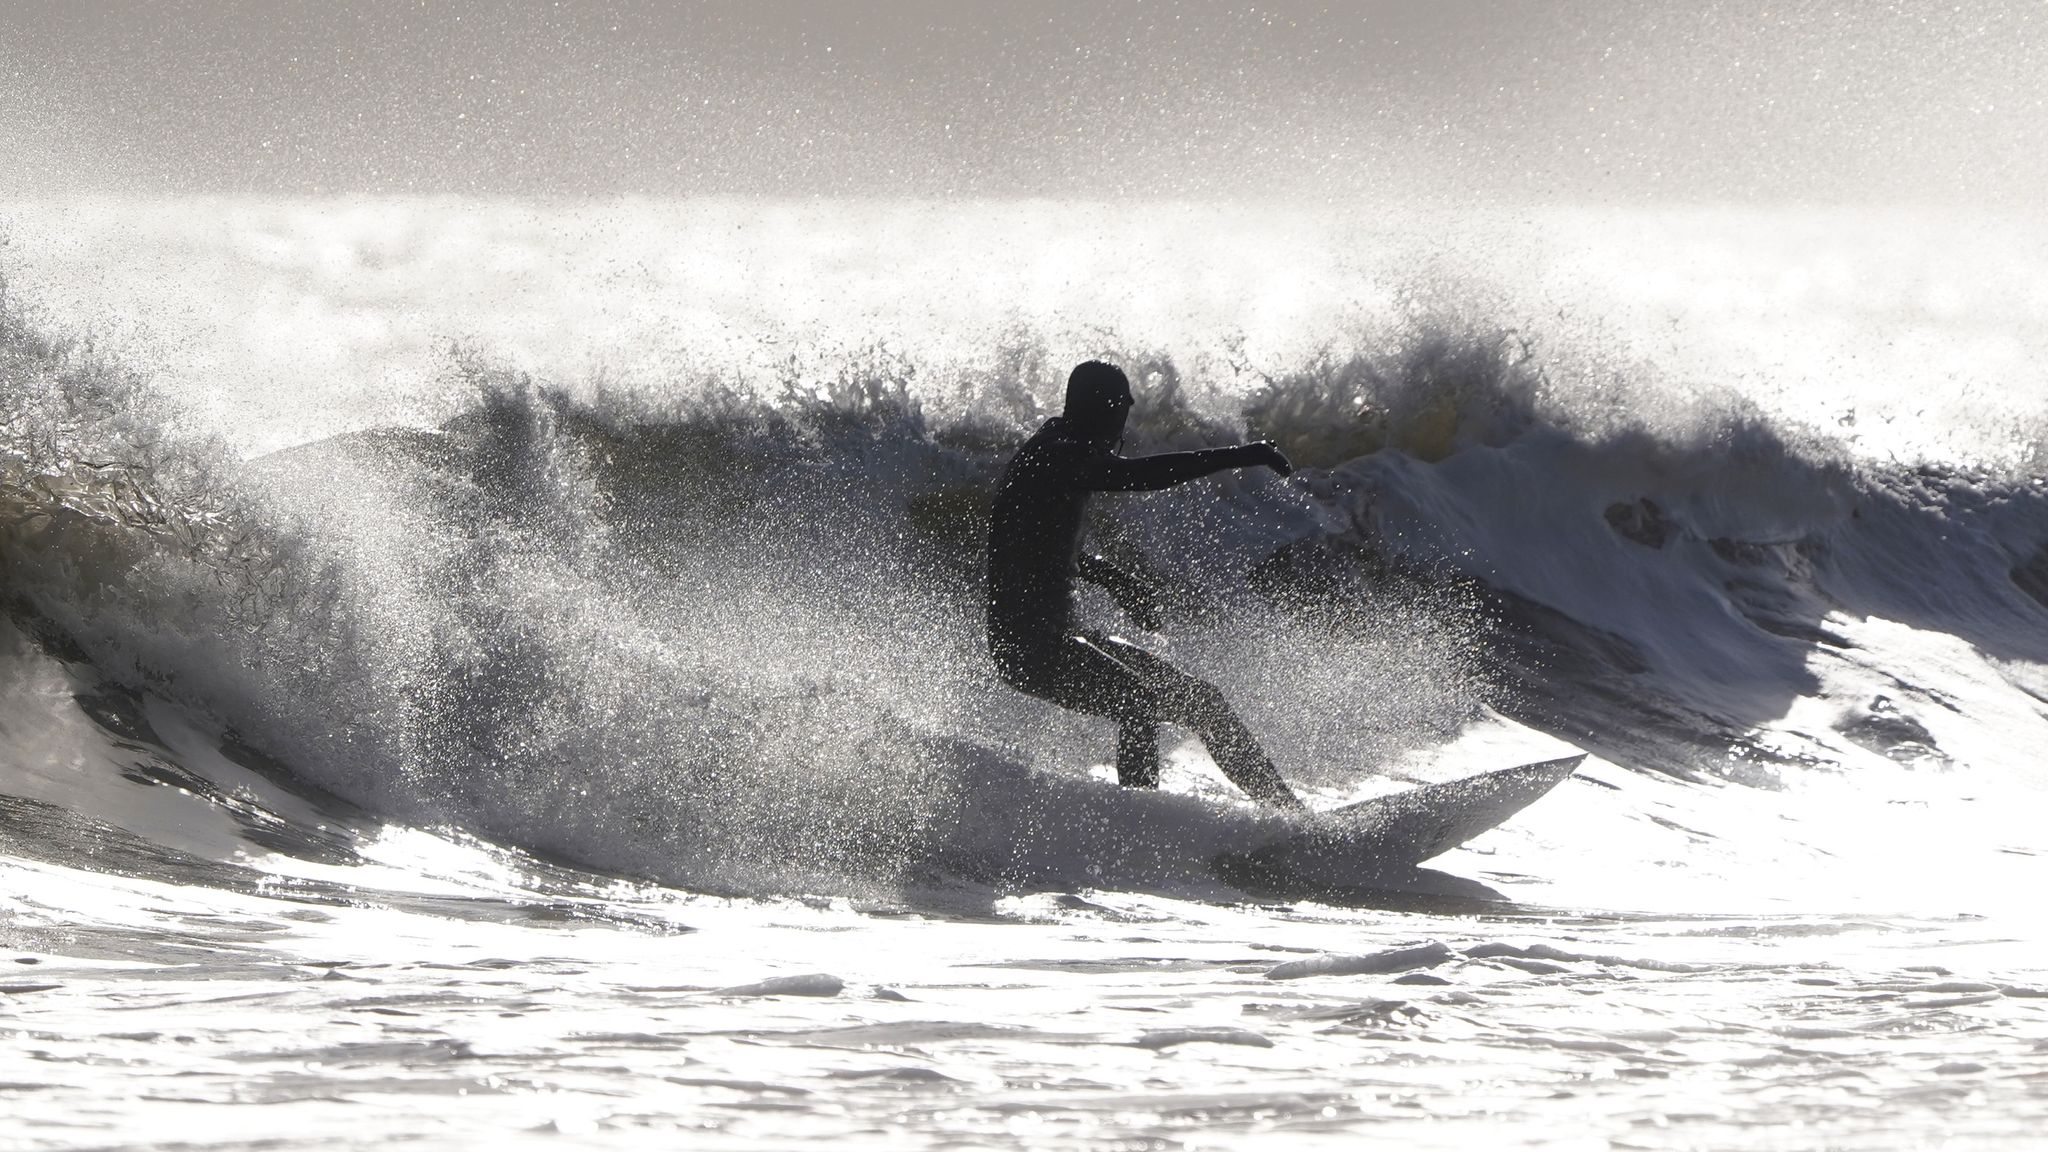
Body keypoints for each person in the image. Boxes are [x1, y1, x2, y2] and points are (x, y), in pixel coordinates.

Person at [984, 360, 1305, 809]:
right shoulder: (1058, 455)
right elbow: (1139, 476)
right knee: (1138, 700)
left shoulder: (1060, 451)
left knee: (1203, 702)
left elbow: (1044, 546)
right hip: (1030, 647)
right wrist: (1240, 456)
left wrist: (1113, 578)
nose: (1125, 420)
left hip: (1064, 636)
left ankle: (1291, 816)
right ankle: (1141, 820)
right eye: (1122, 407)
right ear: (1102, 408)